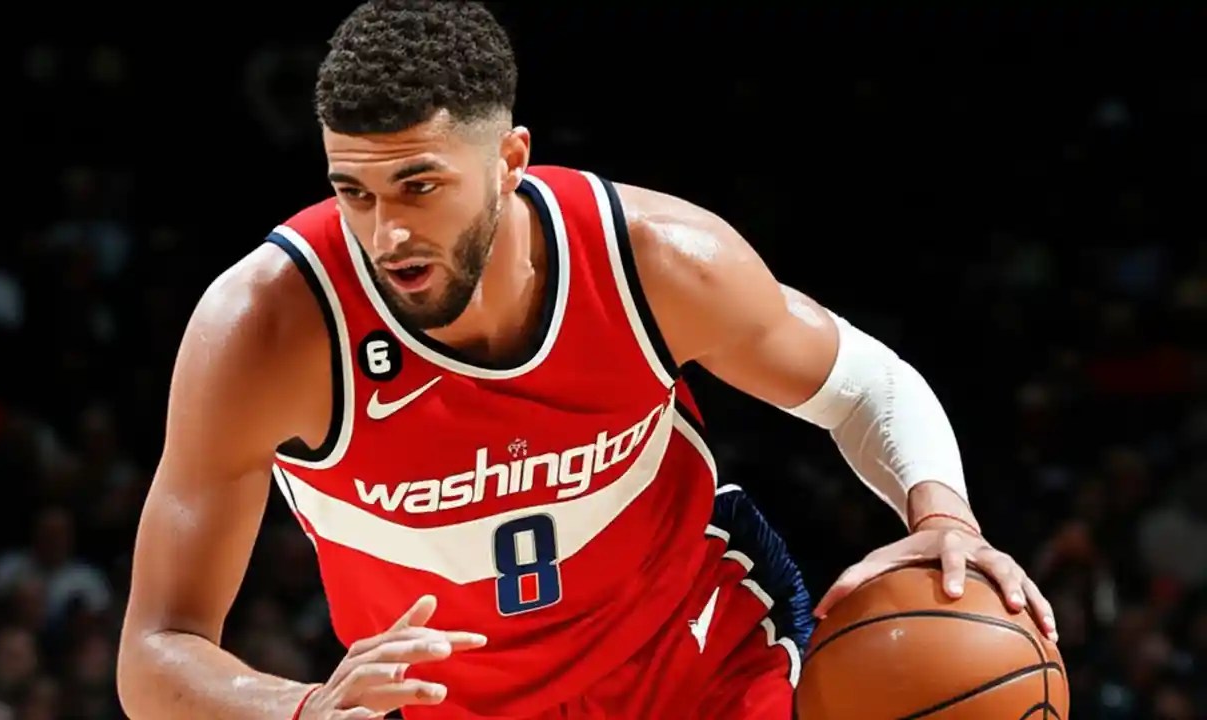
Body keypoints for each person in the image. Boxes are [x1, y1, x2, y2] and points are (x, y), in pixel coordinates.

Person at [115, 2, 1058, 718]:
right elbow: (156, 650)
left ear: (510, 158)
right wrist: (303, 705)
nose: (386, 229)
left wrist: (947, 515)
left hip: (701, 661)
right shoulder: (268, 329)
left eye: (420, 183)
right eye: (352, 191)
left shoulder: (655, 259)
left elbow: (864, 387)